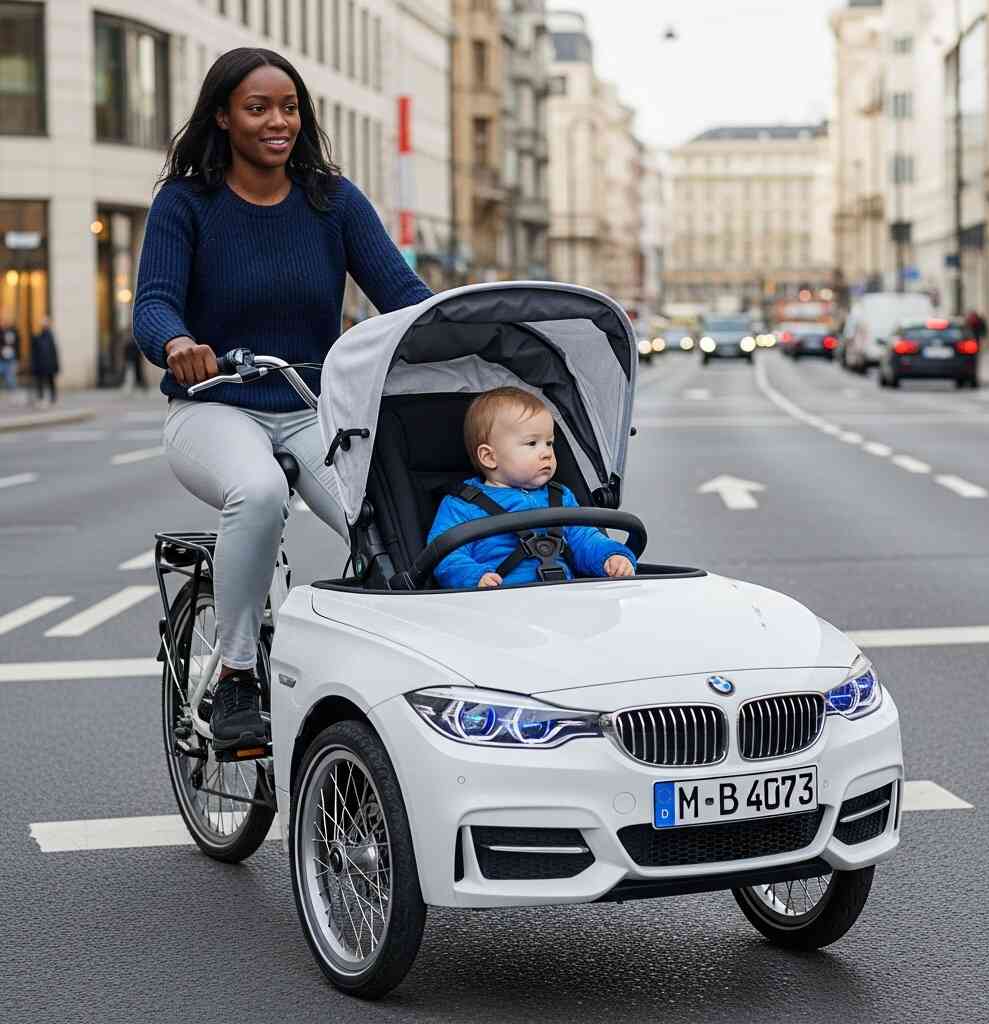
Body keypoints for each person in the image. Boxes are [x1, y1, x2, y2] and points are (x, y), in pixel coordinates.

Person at [132, 48, 432, 752]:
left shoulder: (331, 200)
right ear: (223, 117)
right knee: (260, 492)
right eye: (258, 107)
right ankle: (237, 672)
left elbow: (402, 294)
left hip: (310, 406)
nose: (278, 121)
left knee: (386, 524)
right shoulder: (186, 202)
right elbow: (152, 305)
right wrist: (177, 343)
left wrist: (454, 334)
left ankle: (374, 677)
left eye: (289, 107)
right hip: (214, 407)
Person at [428, 387, 637, 589]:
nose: (547, 453)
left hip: (563, 595)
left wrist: (611, 556)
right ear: (489, 457)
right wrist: (474, 577)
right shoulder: (462, 505)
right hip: (499, 599)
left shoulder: (560, 497)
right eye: (532, 444)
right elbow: (446, 554)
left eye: (549, 443)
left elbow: (584, 538)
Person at [30, 317, 59, 404]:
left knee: (50, 381)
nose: (44, 325)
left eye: (46, 324)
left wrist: (55, 364)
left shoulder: (50, 336)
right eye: (43, 324)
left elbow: (53, 351)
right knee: (40, 382)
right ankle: (41, 397)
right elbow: (35, 351)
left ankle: (52, 397)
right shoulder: (38, 336)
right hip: (41, 364)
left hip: (49, 364)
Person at [0, 319, 18, 394]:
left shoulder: (11, 332)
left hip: (10, 356)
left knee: (10, 374)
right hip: (2, 356)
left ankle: (11, 389)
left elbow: (14, 343)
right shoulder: (1, 333)